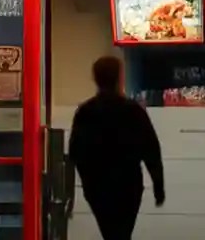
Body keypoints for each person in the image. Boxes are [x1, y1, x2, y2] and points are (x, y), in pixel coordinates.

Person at [64, 56, 164, 240]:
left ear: (95, 78)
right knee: (121, 233)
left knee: (110, 233)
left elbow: (74, 153)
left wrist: (81, 185)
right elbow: (151, 149)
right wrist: (159, 186)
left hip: (97, 186)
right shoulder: (133, 110)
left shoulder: (86, 111)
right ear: (120, 77)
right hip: (128, 185)